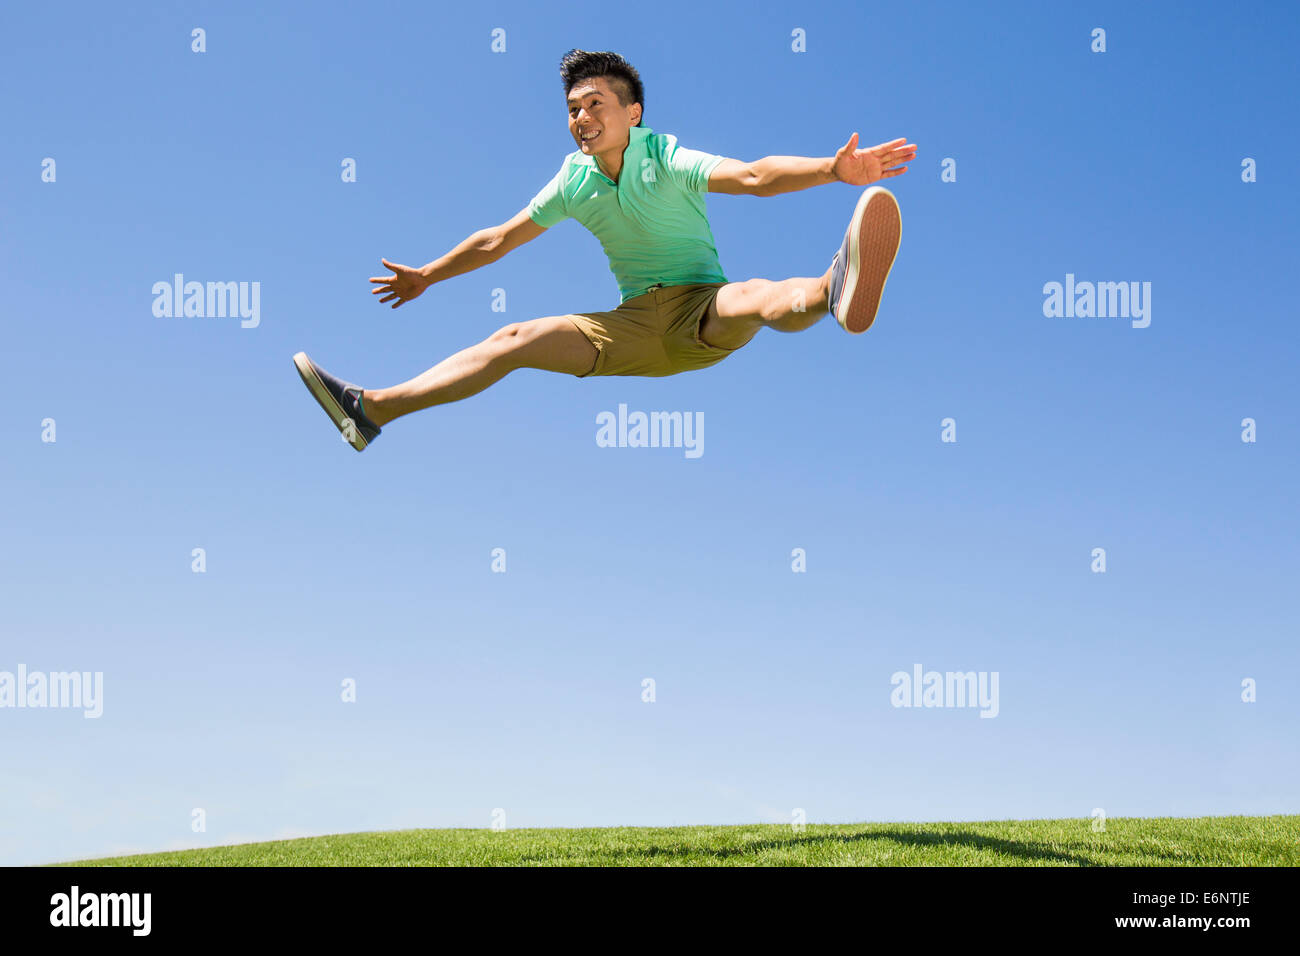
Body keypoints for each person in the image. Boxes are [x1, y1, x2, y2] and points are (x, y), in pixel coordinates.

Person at [294, 49, 914, 451]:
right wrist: (428, 275)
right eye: (572, 109)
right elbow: (498, 239)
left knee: (751, 296)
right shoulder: (574, 179)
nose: (581, 117)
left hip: (702, 309)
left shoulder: (666, 156)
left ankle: (834, 285)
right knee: (512, 339)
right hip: (631, 328)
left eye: (595, 105)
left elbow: (754, 177)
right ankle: (371, 411)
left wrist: (833, 170)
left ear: (632, 113)